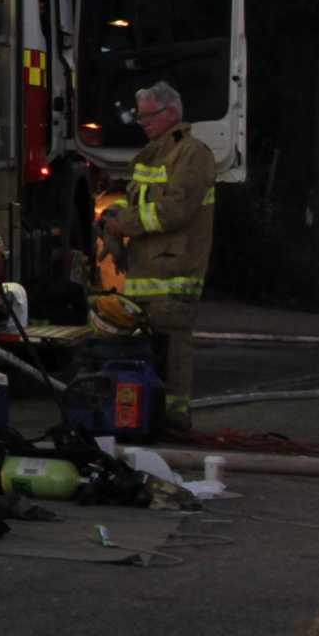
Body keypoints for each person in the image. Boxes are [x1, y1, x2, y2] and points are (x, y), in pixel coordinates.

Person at [98, 81, 215, 434]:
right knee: (147, 354)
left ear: (172, 114)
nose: (143, 123)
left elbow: (174, 210)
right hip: (146, 273)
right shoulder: (153, 154)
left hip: (175, 273)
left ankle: (174, 423)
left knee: (172, 354)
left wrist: (126, 225)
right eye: (141, 116)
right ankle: (147, 420)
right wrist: (113, 221)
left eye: (150, 116)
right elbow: (141, 204)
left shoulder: (193, 154)